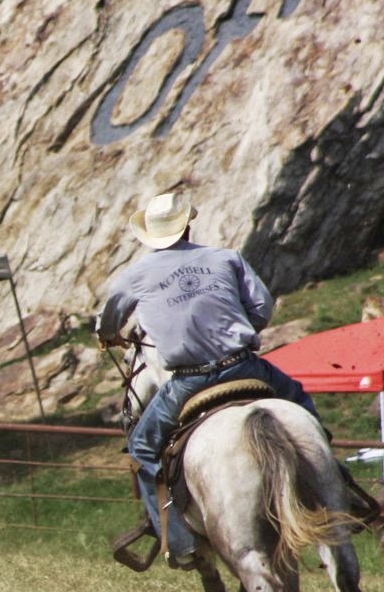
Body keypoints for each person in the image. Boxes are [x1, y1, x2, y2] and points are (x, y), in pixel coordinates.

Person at [96, 191, 320, 570]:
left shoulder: (135, 275)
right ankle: (332, 488)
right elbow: (262, 308)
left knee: (142, 451)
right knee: (301, 404)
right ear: (187, 225)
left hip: (188, 380)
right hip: (245, 367)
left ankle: (180, 544)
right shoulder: (225, 258)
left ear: (148, 235)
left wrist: (107, 335)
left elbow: (108, 320)